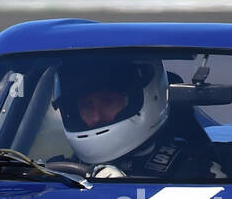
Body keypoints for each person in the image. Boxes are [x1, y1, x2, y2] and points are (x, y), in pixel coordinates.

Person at [52, 56, 215, 179]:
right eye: (86, 106)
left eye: (108, 102)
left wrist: (125, 191)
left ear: (151, 97)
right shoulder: (56, 172)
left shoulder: (194, 170)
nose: (96, 117)